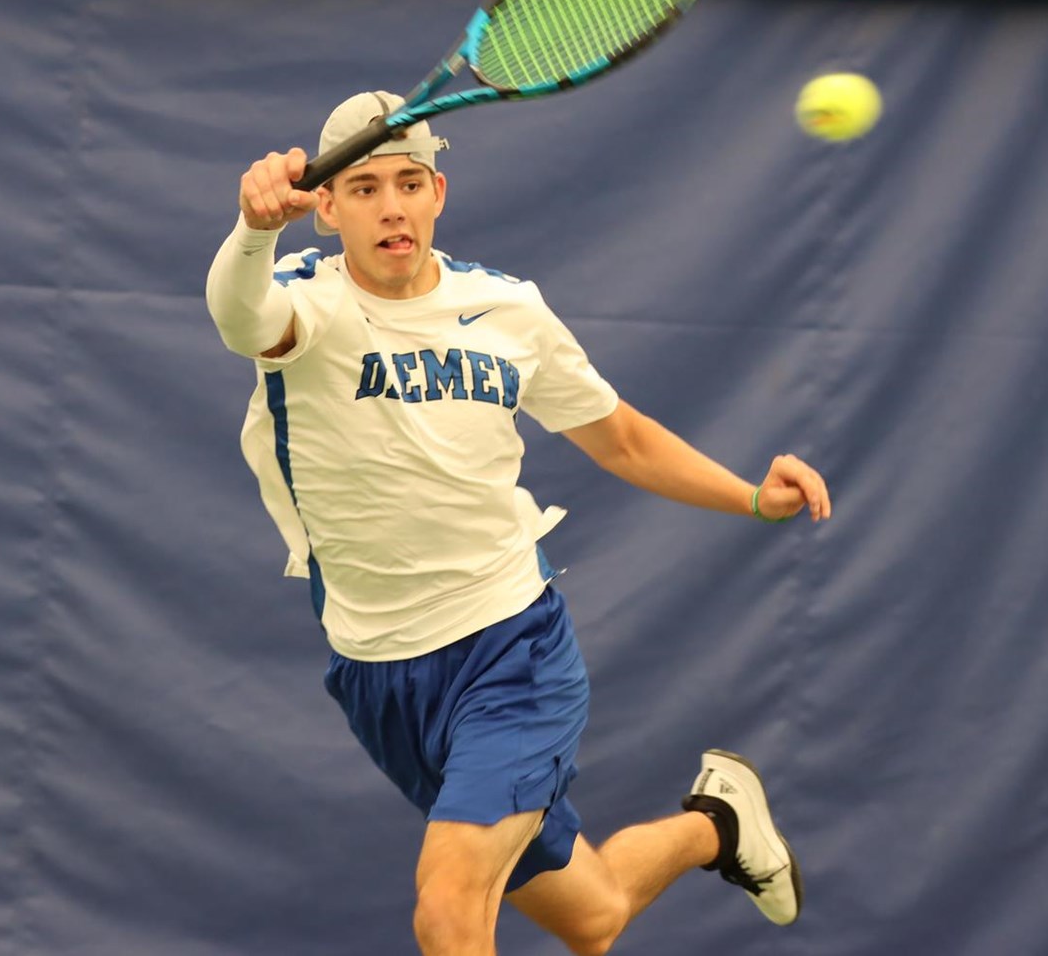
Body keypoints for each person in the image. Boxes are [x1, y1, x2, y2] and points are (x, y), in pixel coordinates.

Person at [205, 90, 832, 956]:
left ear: (438, 194)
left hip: (511, 648)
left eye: (409, 181)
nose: (391, 205)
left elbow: (621, 438)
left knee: (448, 908)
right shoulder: (302, 305)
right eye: (363, 187)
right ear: (325, 207)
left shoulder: (507, 312)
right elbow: (238, 315)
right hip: (379, 674)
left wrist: (753, 497)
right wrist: (250, 228)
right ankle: (717, 824)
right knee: (595, 914)